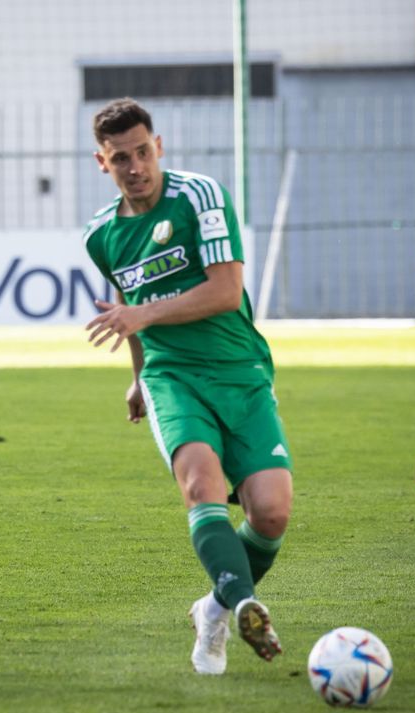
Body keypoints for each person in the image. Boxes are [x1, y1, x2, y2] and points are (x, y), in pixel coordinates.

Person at [82, 98, 291, 675]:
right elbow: (127, 299)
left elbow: (225, 292)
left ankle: (215, 609)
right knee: (202, 485)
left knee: (270, 513)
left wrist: (143, 317)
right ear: (102, 162)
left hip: (239, 370)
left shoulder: (200, 196)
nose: (135, 166)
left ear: (159, 147)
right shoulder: (101, 234)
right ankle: (246, 603)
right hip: (170, 378)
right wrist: (136, 379)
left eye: (142, 152)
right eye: (119, 157)